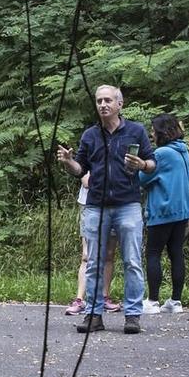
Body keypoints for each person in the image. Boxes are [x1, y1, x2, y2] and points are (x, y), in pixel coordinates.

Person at [56, 84, 156, 334]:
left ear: (119, 104)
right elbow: (81, 169)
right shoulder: (90, 135)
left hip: (128, 204)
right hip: (96, 206)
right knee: (93, 262)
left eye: (107, 100)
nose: (102, 104)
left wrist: (142, 163)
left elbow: (152, 163)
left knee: (132, 260)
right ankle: (93, 314)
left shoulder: (136, 131)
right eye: (99, 101)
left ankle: (133, 315)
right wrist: (69, 162)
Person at [140, 114, 189, 313]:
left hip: (162, 210)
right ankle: (175, 301)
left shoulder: (161, 154)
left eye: (153, 130)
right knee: (176, 253)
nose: (151, 134)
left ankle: (152, 301)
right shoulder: (183, 150)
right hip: (182, 211)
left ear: (161, 131)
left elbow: (142, 178)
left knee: (153, 253)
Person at [64, 174, 121, 317]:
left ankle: (104, 298)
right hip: (89, 205)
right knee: (87, 255)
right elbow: (86, 182)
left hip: (114, 203)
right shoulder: (89, 151)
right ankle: (80, 300)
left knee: (109, 254)